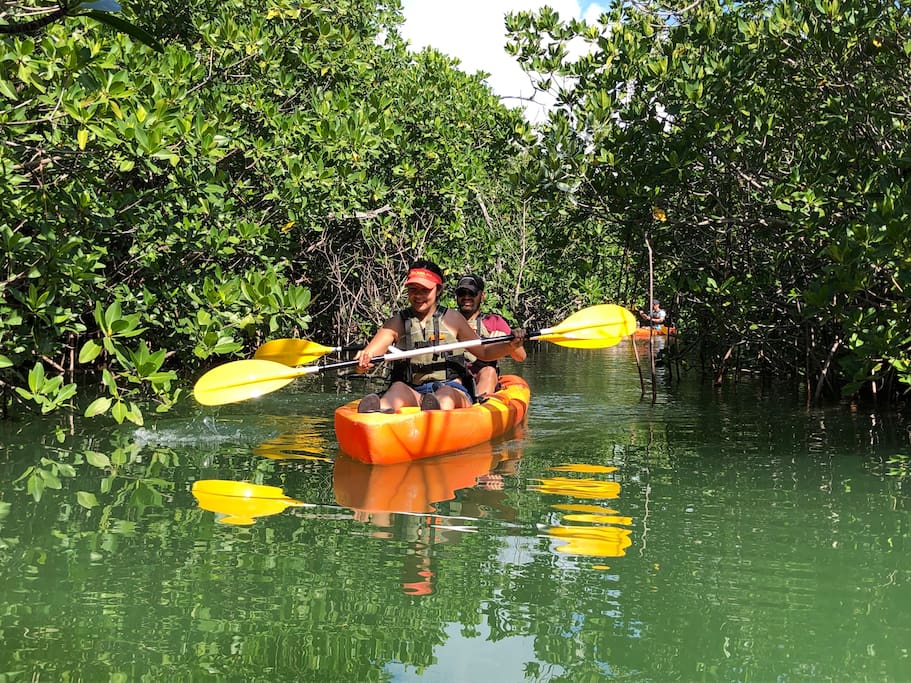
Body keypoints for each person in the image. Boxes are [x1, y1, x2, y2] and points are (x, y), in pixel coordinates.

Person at [354, 260, 525, 413]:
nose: (418, 295)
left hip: (452, 388)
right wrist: (363, 362)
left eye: (425, 290)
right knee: (397, 388)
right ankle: (377, 413)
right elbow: (369, 355)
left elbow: (485, 353)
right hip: (413, 390)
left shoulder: (453, 319)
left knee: (445, 395)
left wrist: (510, 345)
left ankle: (435, 413)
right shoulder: (396, 323)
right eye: (413, 290)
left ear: (438, 290)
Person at [455, 274, 526, 397]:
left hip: (483, 376)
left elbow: (521, 357)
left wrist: (509, 342)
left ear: (482, 296)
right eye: (462, 293)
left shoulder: (493, 321)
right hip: (455, 377)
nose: (466, 297)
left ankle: (482, 406)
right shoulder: (448, 321)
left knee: (489, 371)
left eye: (472, 293)